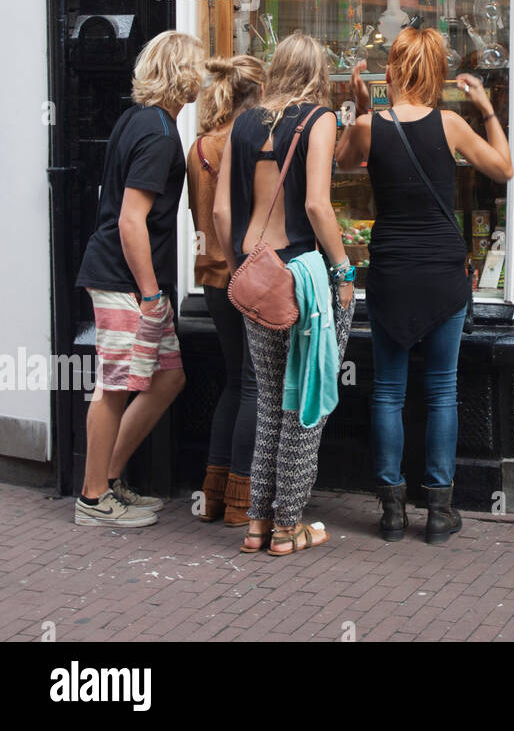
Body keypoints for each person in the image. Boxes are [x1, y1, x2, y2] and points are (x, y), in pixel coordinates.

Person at [335, 28, 512, 543]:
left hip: (390, 271)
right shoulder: (451, 123)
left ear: (391, 69)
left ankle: (391, 513)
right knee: (442, 391)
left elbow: (342, 161)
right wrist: (487, 109)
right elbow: (502, 169)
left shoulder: (369, 126)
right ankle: (439, 511)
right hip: (441, 271)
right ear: (434, 72)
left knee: (387, 392)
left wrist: (357, 103)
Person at [213, 33, 355, 557]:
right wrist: (345, 271)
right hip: (306, 276)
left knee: (272, 401)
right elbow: (318, 206)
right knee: (307, 402)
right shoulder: (319, 119)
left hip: (258, 269)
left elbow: (222, 213)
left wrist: (240, 269)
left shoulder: (243, 123)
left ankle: (257, 525)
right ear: (318, 71)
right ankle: (288, 526)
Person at [74, 31, 206, 527]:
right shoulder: (158, 133)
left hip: (126, 277)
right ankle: (93, 499)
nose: (203, 77)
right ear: (182, 74)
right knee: (113, 386)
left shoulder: (140, 119)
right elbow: (131, 220)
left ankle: (107, 480)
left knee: (167, 378)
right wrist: (151, 293)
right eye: (197, 68)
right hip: (125, 280)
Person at [186, 55, 265, 527]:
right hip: (244, 273)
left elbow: (201, 218)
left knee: (234, 382)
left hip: (211, 277)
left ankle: (214, 496)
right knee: (255, 385)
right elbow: (228, 214)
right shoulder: (245, 141)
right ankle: (242, 500)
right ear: (255, 94)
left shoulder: (199, 146)